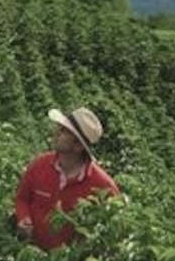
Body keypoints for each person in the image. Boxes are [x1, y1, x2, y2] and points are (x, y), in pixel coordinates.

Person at [15, 107, 120, 252]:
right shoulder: (40, 164)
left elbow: (112, 233)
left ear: (78, 146)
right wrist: (24, 218)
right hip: (31, 256)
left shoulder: (103, 185)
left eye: (64, 131)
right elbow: (22, 199)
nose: (57, 132)